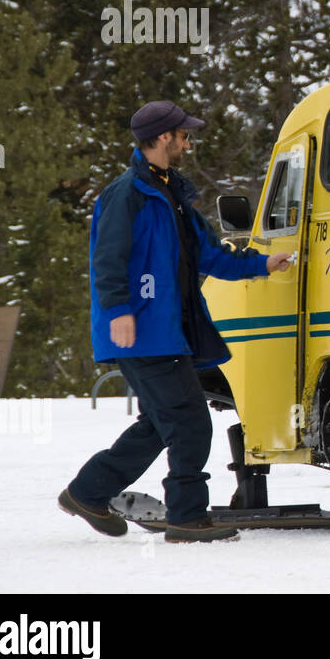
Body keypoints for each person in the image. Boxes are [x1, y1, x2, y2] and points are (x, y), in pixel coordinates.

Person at [60, 101, 292, 543]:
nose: (189, 141)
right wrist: (119, 313)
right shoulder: (126, 194)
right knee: (188, 421)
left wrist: (264, 264)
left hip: (169, 333)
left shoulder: (173, 193)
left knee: (160, 423)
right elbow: (108, 261)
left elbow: (210, 255)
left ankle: (88, 491)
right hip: (141, 332)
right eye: (184, 134)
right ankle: (187, 517)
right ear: (164, 137)